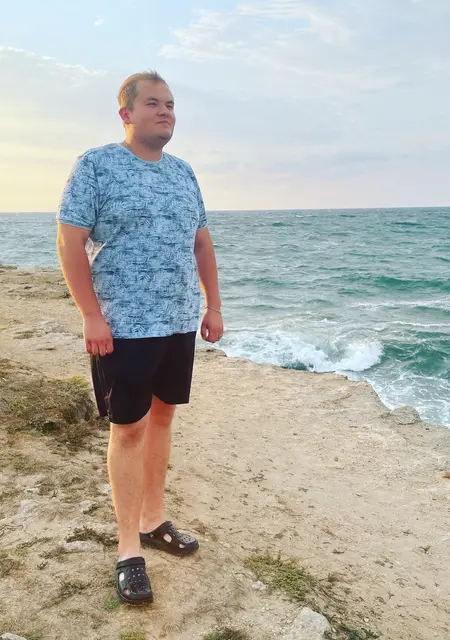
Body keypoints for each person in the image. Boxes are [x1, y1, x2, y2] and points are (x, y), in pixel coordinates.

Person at [56, 70, 223, 605]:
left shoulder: (184, 172)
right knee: (128, 429)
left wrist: (213, 305)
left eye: (170, 104)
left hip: (178, 320)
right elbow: (70, 242)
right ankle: (129, 549)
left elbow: (201, 243)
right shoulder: (97, 164)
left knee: (163, 418)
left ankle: (154, 521)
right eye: (153, 103)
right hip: (123, 325)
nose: (165, 111)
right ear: (126, 113)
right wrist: (90, 314)